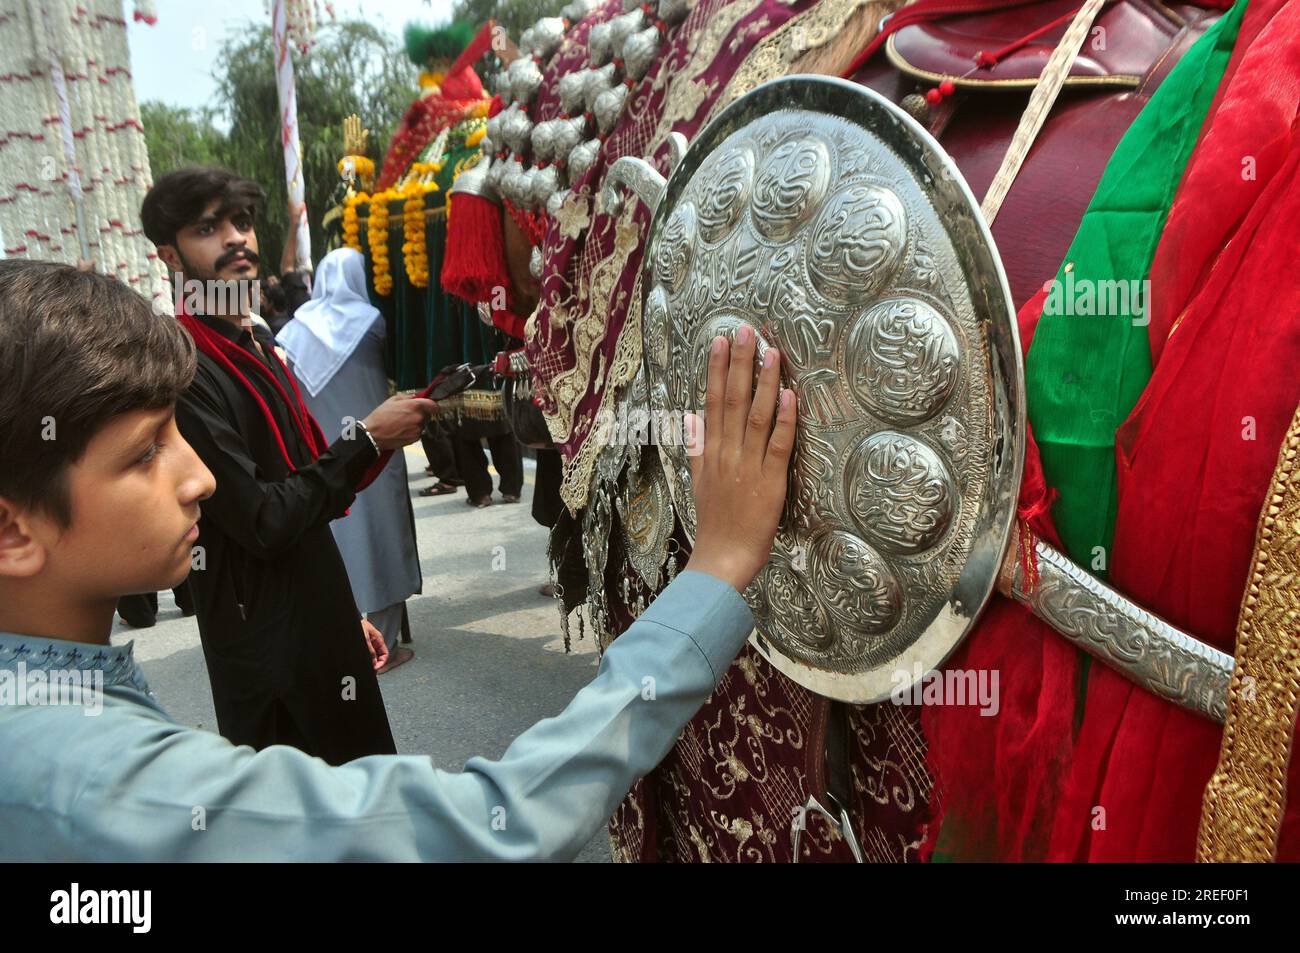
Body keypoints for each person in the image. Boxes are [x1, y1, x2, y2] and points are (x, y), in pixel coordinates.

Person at [0, 260, 796, 860]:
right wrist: (715, 571)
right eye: (144, 455)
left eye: (179, 433)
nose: (197, 474)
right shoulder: (80, 778)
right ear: (13, 530)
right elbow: (495, 821)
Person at [139, 166, 435, 764]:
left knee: (362, 784)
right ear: (169, 253)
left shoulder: (253, 340)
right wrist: (369, 442)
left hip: (313, 615)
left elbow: (300, 490)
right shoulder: (185, 368)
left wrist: (341, 610)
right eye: (208, 228)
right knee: (307, 810)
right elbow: (265, 518)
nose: (235, 239)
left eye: (242, 222)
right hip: (264, 640)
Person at [277, 248, 422, 673]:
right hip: (376, 449)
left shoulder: (294, 329)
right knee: (381, 536)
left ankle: (343, 629)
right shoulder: (370, 321)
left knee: (342, 539)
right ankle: (385, 644)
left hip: (327, 456)